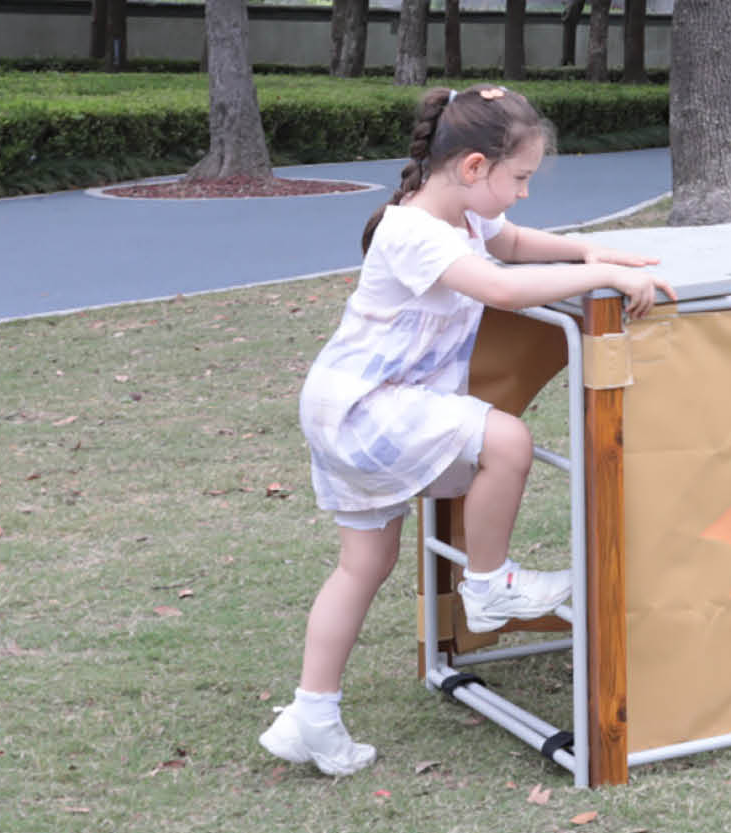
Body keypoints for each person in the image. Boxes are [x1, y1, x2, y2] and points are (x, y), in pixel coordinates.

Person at [261, 85, 672, 776]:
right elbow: (503, 286)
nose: (524, 194)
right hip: (371, 406)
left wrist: (584, 249)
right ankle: (488, 583)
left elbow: (510, 241)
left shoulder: (462, 218)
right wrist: (599, 272)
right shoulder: (414, 230)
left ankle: (312, 713)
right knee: (504, 439)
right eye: (520, 178)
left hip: (345, 402)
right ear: (475, 167)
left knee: (362, 566)